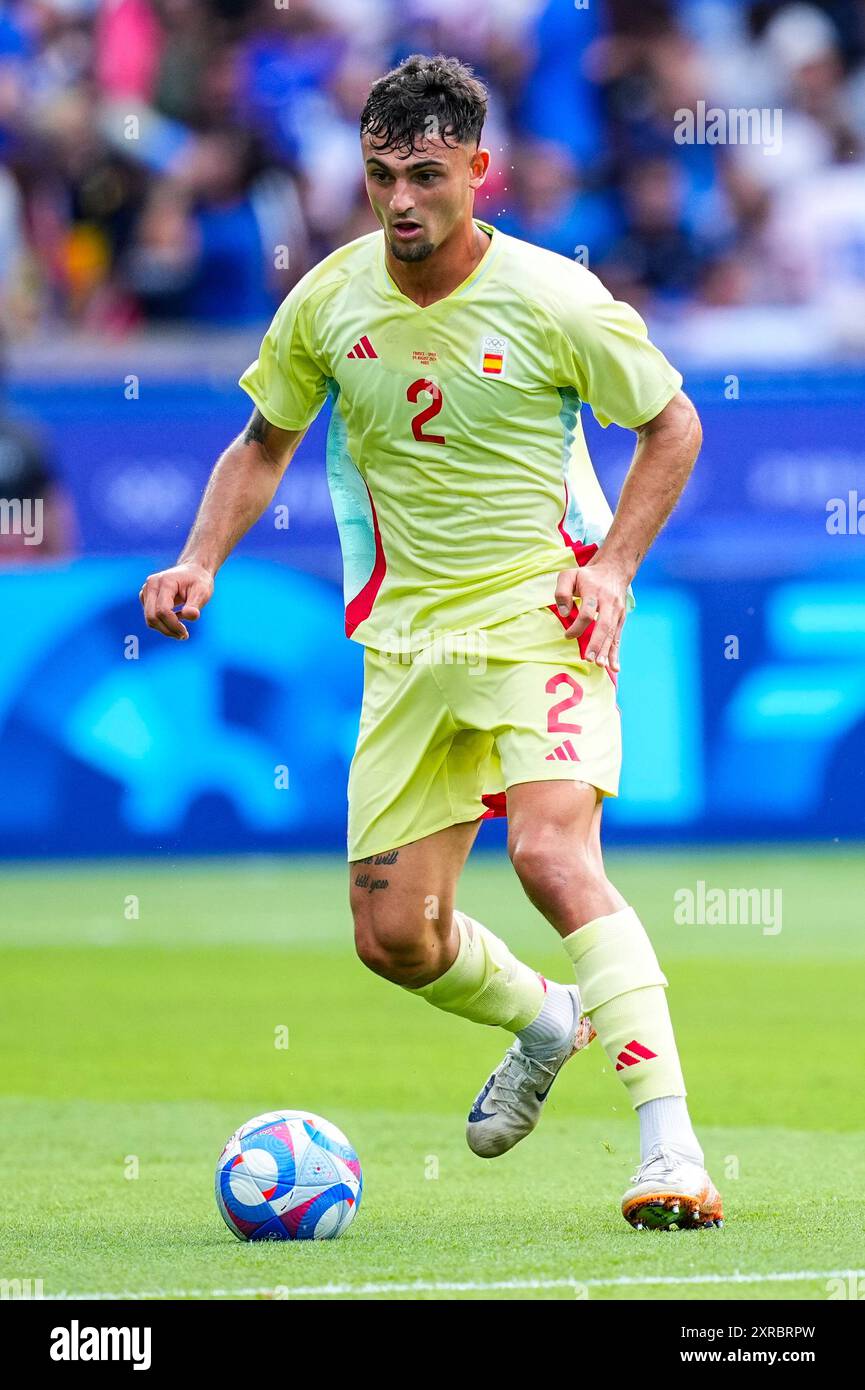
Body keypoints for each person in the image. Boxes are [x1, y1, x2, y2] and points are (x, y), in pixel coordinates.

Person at [139, 54, 719, 1231]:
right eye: (378, 177)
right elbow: (262, 441)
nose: (400, 201)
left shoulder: (556, 299)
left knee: (555, 857)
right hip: (405, 645)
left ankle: (671, 1148)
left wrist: (610, 570)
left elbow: (672, 423)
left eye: (423, 175)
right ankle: (546, 1020)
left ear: (476, 172)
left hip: (541, 619)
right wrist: (200, 555)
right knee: (394, 935)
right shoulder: (329, 301)